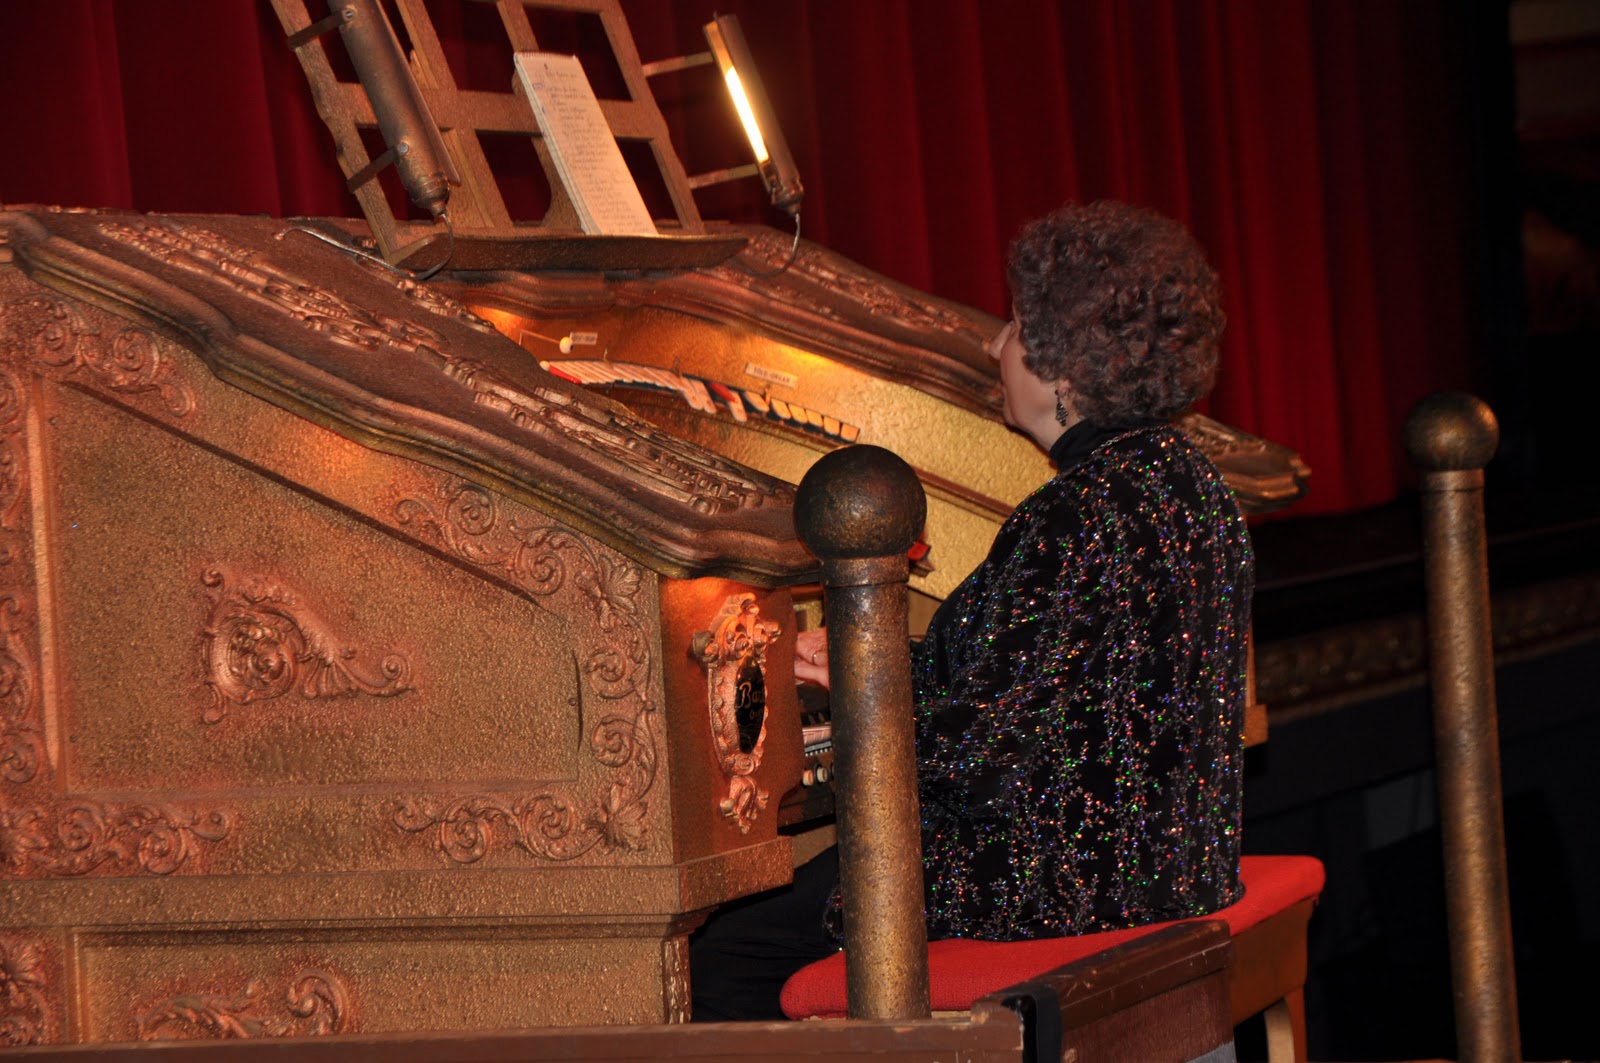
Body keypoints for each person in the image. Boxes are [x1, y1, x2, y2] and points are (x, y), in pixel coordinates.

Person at [691, 200, 1252, 1019]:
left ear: (1065, 366)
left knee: (717, 956)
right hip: (1165, 864)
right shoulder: (1190, 486)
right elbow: (1055, 691)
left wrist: (855, 703)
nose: (995, 343)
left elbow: (968, 757)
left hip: (1049, 886)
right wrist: (869, 664)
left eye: (1017, 326)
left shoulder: (1076, 516)